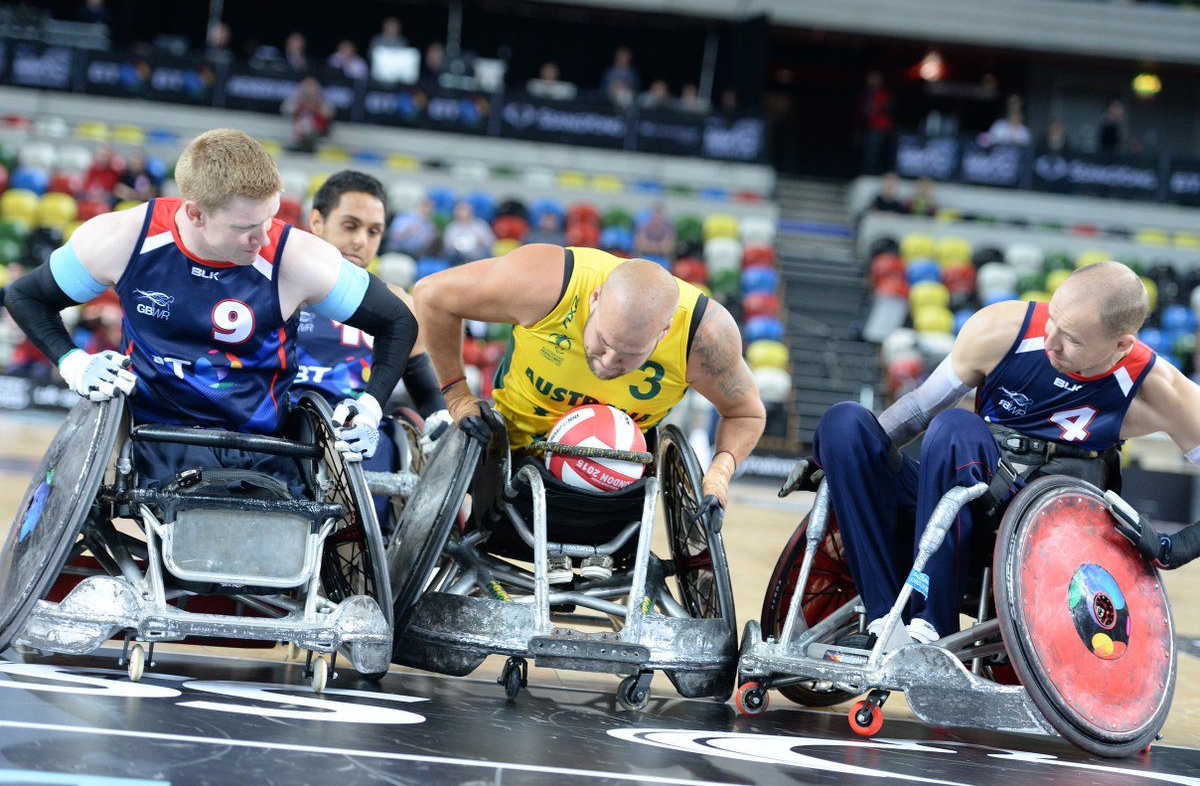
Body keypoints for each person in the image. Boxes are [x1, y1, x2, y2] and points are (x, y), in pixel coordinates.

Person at [780, 261, 1200, 646]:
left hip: (1042, 535)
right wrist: (829, 462)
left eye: (1071, 340)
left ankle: (932, 627)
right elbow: (915, 410)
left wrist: (1172, 547)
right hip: (958, 491)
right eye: (1053, 319)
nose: (1050, 340)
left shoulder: (1158, 389)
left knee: (953, 428)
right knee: (844, 425)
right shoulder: (1002, 329)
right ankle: (884, 621)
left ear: (1121, 345)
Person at [3, 128, 418, 493]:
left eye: (270, 218)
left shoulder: (297, 256)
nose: (262, 237)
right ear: (195, 213)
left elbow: (398, 320)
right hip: (146, 434)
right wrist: (73, 362)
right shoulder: (122, 239)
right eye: (245, 228)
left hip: (263, 446)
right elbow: (25, 296)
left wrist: (370, 406)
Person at [413, 244, 766, 565]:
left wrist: (718, 475)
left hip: (616, 488)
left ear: (664, 331)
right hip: (509, 465)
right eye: (604, 340)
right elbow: (432, 295)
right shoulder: (548, 282)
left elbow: (746, 412)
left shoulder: (704, 337)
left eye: (630, 354)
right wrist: (458, 395)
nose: (610, 362)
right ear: (595, 298)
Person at [297, 170, 444, 530]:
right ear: (317, 221)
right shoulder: (280, 282)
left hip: (357, 439)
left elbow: (429, 396)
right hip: (280, 427)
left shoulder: (396, 303)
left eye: (373, 231)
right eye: (350, 225)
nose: (361, 241)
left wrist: (446, 423)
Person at [282, 77, 333, 153]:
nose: (309, 90)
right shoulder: (296, 101)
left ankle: (307, 147)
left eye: (311, 87)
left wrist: (315, 105)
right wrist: (300, 102)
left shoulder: (322, 102)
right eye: (307, 86)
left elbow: (328, 114)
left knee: (307, 126)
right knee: (301, 125)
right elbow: (286, 110)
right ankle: (300, 146)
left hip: (317, 129)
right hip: (299, 127)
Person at [860, 70, 893, 176]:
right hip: (869, 126)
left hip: (880, 127)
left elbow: (888, 109)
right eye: (870, 78)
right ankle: (867, 172)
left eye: (874, 78)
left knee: (875, 151)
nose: (871, 81)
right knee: (868, 151)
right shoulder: (868, 93)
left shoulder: (883, 93)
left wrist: (877, 110)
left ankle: (874, 173)